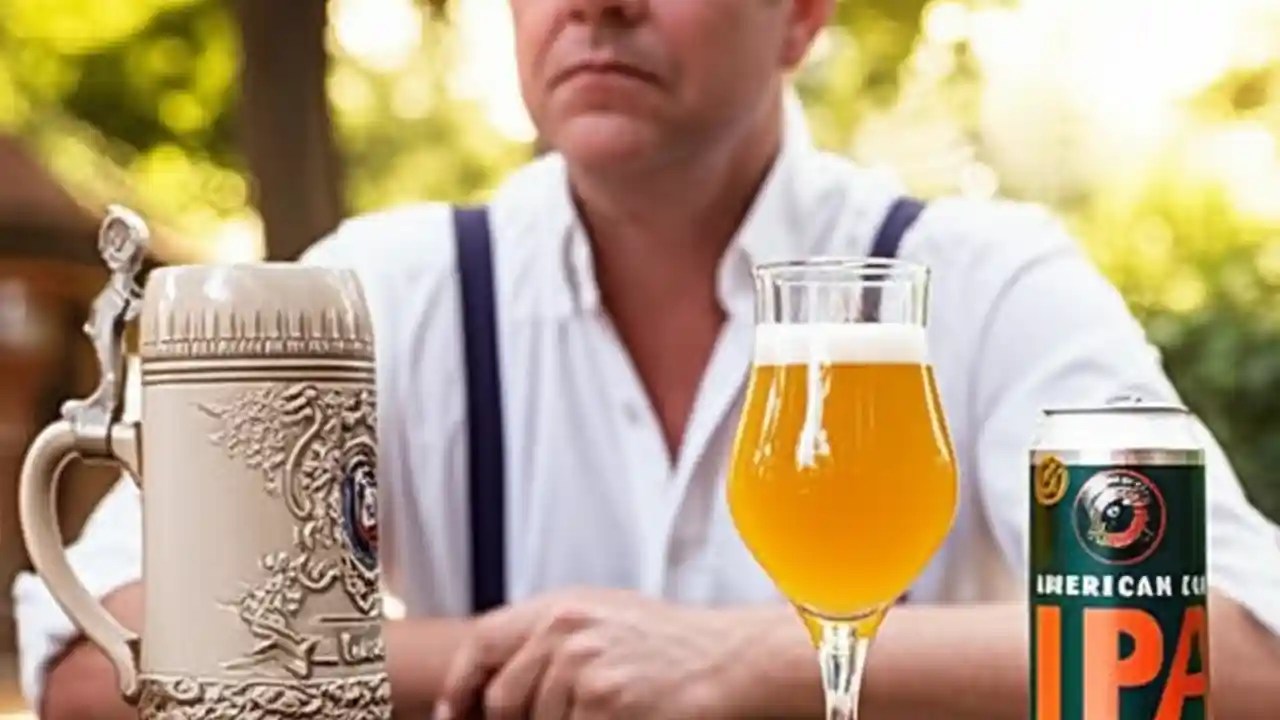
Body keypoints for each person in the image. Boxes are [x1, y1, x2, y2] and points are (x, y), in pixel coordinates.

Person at [15, 0, 1280, 718]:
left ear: (800, 18)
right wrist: (512, 661)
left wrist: (745, 663)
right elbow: (94, 664)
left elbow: (1226, 653)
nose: (597, 3)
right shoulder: (380, 292)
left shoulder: (987, 281)